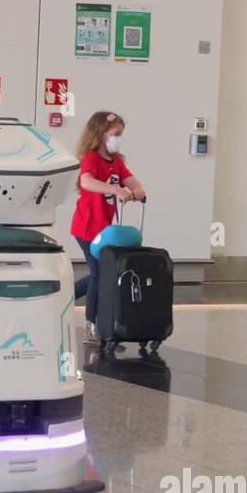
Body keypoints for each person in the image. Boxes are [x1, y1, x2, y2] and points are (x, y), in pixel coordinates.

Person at [70, 111, 147, 345]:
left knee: (102, 274)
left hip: (104, 231)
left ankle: (65, 295)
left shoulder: (117, 161)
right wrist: (115, 190)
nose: (118, 139)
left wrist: (137, 189)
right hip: (86, 228)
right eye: (116, 134)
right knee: (100, 275)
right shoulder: (91, 159)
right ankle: (91, 325)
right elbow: (86, 181)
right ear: (101, 134)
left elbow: (130, 179)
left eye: (121, 134)